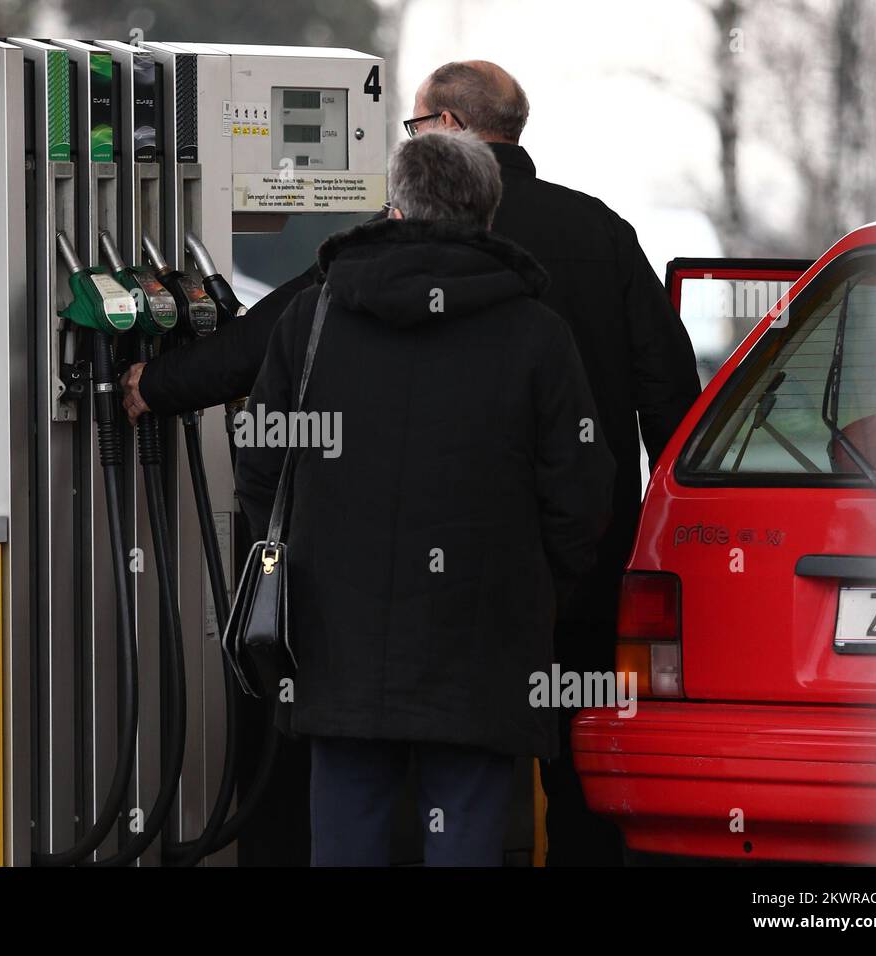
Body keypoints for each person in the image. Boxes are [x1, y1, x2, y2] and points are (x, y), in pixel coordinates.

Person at [125, 60, 700, 866]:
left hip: (348, 619)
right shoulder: (592, 245)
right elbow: (665, 401)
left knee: (351, 806)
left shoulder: (337, 289)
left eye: (416, 123)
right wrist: (576, 568)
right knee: (563, 790)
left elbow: (258, 405)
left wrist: (157, 386)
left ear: (450, 133)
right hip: (521, 605)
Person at [234, 130, 614, 866]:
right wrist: (540, 590)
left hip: (334, 630)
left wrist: (301, 563)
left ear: (397, 209)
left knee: (345, 826)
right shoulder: (537, 334)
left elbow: (260, 466)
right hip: (482, 637)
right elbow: (581, 490)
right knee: (467, 830)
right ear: (489, 214)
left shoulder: (312, 319)